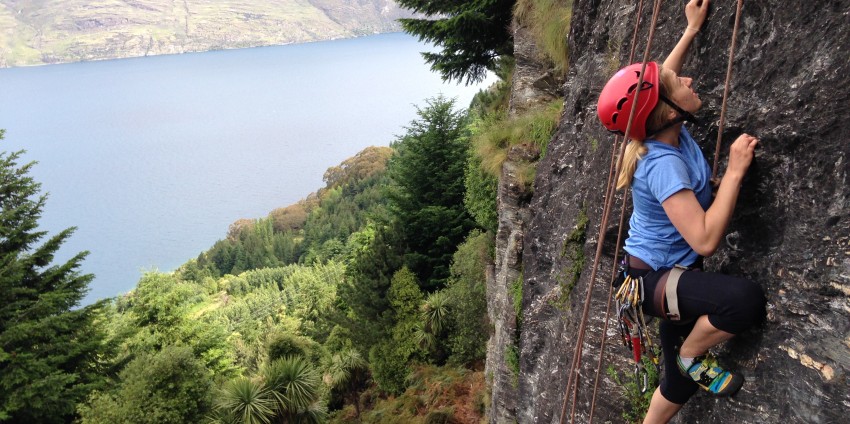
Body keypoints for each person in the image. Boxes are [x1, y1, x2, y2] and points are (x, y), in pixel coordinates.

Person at [596, 1, 766, 423]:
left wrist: (690, 31)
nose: (688, 79)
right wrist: (734, 172)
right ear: (671, 112)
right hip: (654, 279)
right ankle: (693, 352)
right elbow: (705, 239)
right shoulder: (663, 164)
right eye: (680, 84)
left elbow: (660, 84)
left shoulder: (664, 126)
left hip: (664, 275)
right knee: (743, 301)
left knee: (678, 383)